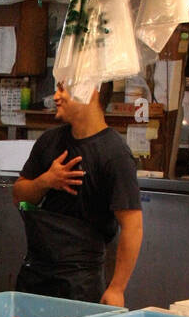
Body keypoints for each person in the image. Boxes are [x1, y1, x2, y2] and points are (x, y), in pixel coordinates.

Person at [12, 81, 143, 305]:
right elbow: (18, 195)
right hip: (34, 277)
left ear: (90, 91)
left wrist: (117, 288)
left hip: (81, 284)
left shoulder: (115, 153)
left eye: (64, 89)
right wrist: (45, 181)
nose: (56, 96)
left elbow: (133, 225)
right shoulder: (49, 141)